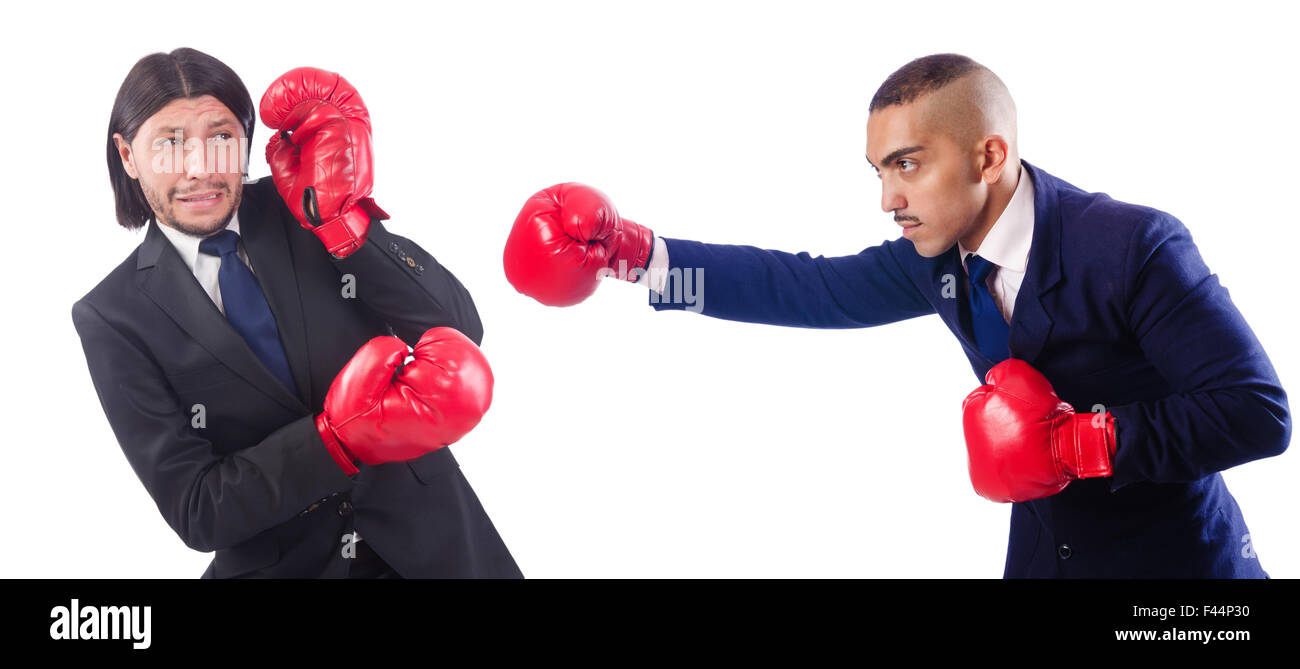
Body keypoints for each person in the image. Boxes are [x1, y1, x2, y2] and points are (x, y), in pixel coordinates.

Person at [502, 53, 1290, 578]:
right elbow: (807, 288)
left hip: (1181, 580)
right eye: (880, 171)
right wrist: (638, 257)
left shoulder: (1130, 245)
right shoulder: (938, 255)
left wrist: (1081, 441)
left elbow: (1258, 412)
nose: (888, 199)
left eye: (908, 165)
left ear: (988, 156)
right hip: (1048, 554)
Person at [73, 47, 521, 578]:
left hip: (442, 548)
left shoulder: (304, 206)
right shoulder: (112, 315)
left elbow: (457, 329)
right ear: (127, 156)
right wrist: (335, 439)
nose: (200, 169)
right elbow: (197, 509)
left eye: (221, 139)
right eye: (170, 143)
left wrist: (344, 226)